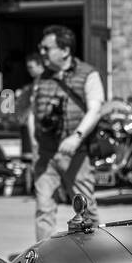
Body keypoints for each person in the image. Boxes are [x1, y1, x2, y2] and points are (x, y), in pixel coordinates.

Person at [29, 24, 104, 239]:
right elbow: (33, 111)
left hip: (76, 154)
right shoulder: (41, 78)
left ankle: (97, 251)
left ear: (65, 50)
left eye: (46, 48)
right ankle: (43, 259)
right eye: (41, 48)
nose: (42, 53)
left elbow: (95, 110)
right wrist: (35, 143)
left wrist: (77, 137)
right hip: (46, 153)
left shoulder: (88, 75)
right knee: (44, 209)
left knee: (86, 209)